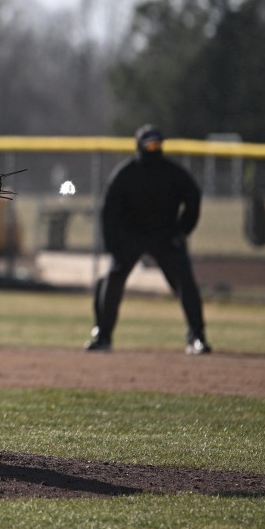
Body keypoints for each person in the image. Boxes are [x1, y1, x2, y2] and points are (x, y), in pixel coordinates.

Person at [85, 124, 212, 355]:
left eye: (156, 144)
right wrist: (113, 245)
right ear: (139, 146)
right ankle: (102, 335)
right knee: (112, 280)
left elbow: (193, 198)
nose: (152, 148)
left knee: (185, 283)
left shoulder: (172, 172)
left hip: (165, 236)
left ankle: (197, 337)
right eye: (148, 144)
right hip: (131, 236)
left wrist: (182, 231)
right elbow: (109, 211)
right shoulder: (126, 173)